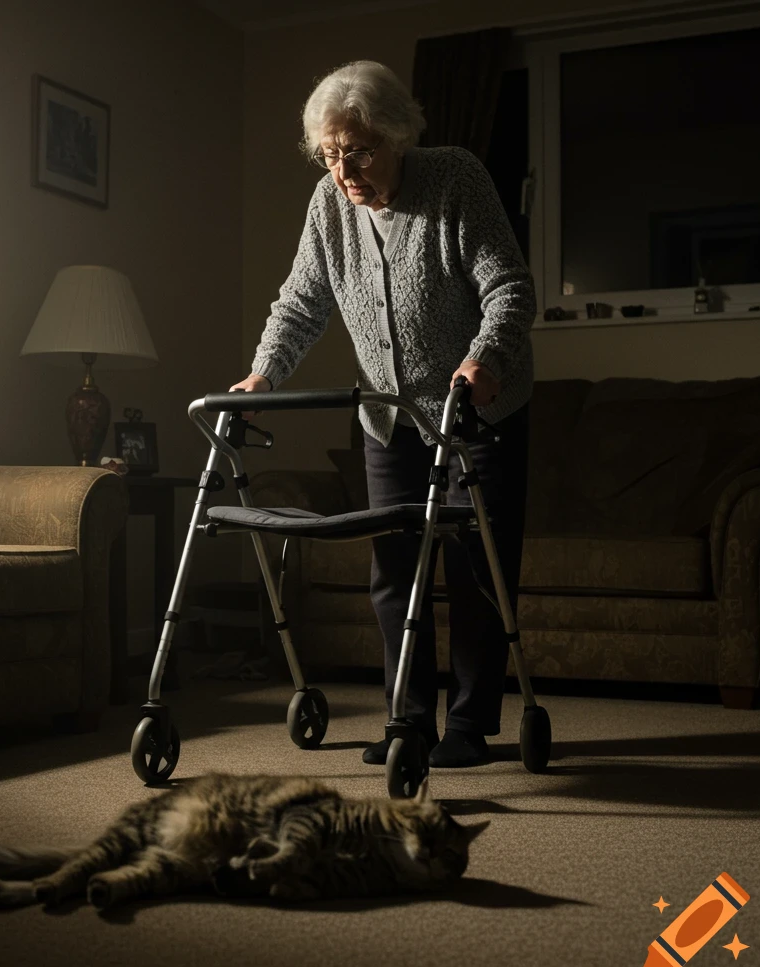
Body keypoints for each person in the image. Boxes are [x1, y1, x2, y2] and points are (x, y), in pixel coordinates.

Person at [230, 60, 536, 768]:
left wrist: (484, 358)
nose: (344, 170)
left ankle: (468, 724)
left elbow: (509, 287)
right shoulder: (328, 205)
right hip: (388, 416)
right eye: (331, 153)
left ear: (397, 136)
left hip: (476, 408)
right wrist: (263, 373)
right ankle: (408, 720)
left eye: (359, 151)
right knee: (394, 569)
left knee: (472, 567)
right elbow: (301, 302)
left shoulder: (456, 178)